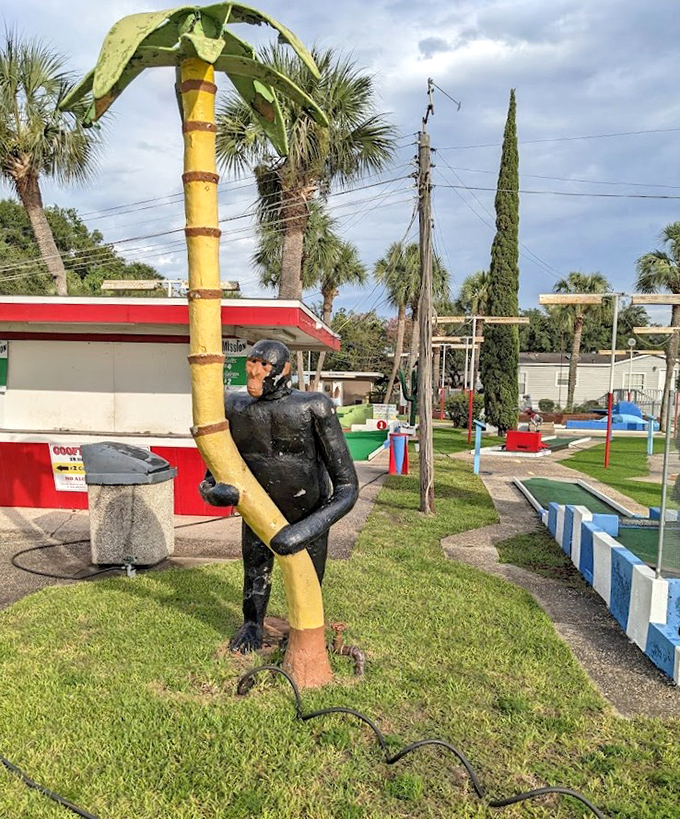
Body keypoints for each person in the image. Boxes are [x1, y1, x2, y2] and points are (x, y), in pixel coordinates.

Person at [199, 339, 358, 653]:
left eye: (264, 367)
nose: (255, 374)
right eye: (251, 365)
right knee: (255, 572)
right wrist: (215, 494)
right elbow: (209, 478)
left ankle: (304, 635)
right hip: (259, 511)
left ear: (284, 370)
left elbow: (347, 488)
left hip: (308, 512)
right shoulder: (233, 407)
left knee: (308, 582)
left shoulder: (314, 406)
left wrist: (302, 532)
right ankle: (252, 625)